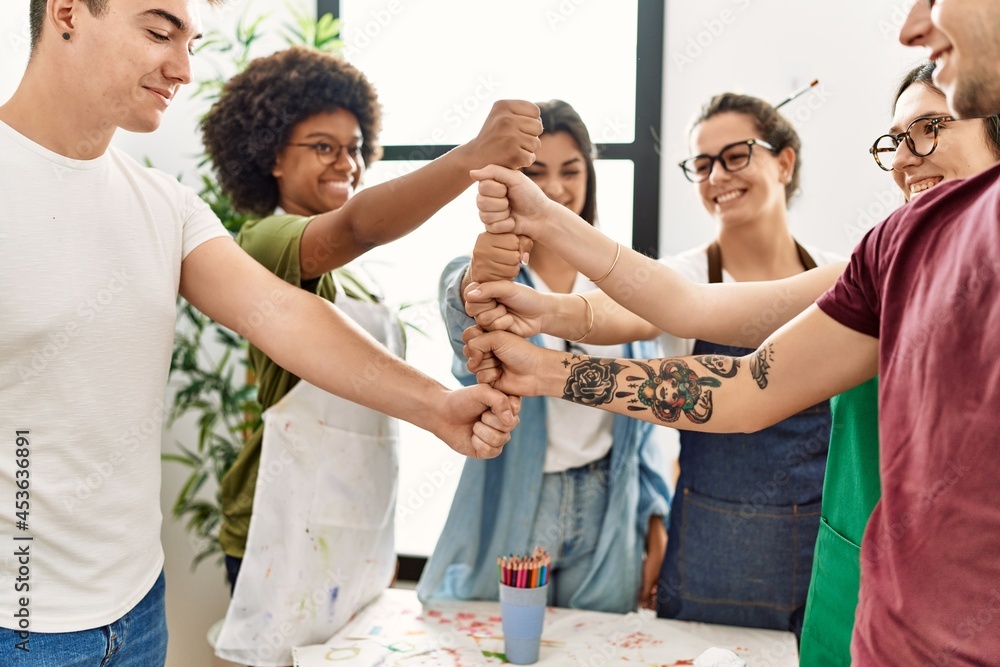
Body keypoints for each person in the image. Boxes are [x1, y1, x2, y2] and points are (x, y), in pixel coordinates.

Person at [462, 1, 1000, 660]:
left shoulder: (869, 260)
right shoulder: (889, 256)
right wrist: (548, 334)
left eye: (931, 127)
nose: (905, 159)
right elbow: (727, 362)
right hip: (851, 602)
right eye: (895, 141)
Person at [0, 2, 530, 665]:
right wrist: (471, 157)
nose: (183, 69)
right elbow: (354, 229)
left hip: (136, 611)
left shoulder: (165, 204)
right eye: (159, 33)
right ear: (68, 11)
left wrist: (438, 405)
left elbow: (282, 314)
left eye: (192, 44)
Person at [197, 47, 542, 666]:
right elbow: (357, 227)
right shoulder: (263, 241)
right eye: (322, 147)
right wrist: (471, 156)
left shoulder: (362, 282)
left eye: (355, 148)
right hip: (280, 527)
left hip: (356, 524)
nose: (346, 163)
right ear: (272, 157)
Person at [471, 93, 842, 634]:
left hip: (828, 547)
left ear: (784, 162)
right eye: (702, 164)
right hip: (712, 554)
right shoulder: (682, 277)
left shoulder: (846, 277)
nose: (718, 176)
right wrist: (549, 310)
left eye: (736, 155)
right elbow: (638, 304)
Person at [417, 100, 671, 613]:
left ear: (590, 175)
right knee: (506, 640)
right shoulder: (496, 274)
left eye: (570, 170)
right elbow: (463, 324)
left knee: (596, 644)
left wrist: (655, 516)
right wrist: (477, 276)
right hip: (522, 498)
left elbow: (645, 410)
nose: (554, 189)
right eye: (536, 174)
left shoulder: (620, 279)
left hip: (607, 503)